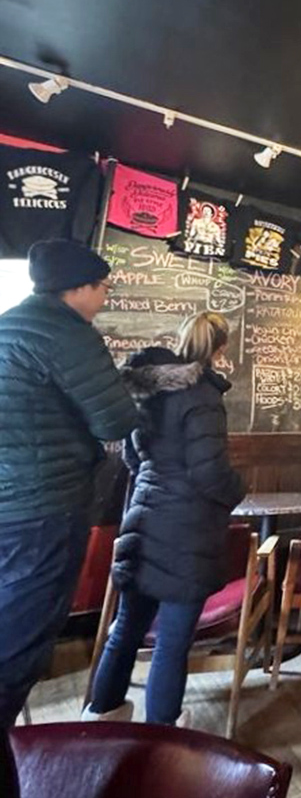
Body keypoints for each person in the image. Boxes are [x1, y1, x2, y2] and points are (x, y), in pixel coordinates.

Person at [0, 239, 137, 728]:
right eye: (102, 287)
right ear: (76, 287)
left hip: (12, 503)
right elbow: (116, 420)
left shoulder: (10, 323)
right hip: (45, 504)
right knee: (18, 647)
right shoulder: (64, 331)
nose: (104, 298)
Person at [84, 311, 245, 726]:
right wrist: (237, 491)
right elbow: (209, 472)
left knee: (125, 630)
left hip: (142, 518)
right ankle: (162, 739)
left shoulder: (149, 390)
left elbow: (134, 458)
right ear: (221, 349)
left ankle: (98, 720)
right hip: (187, 533)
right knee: (172, 643)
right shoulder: (204, 397)